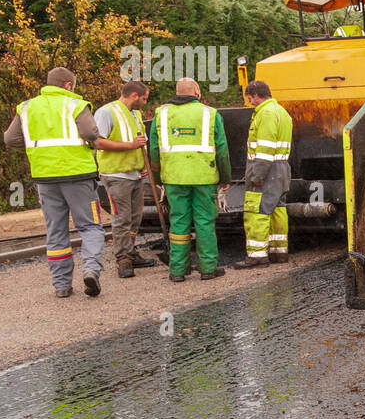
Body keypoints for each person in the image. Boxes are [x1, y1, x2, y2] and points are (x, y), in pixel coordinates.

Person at [2, 67, 105, 298]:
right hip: (78, 175)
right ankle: (91, 270)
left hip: (45, 177)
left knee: (56, 231)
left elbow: (10, 139)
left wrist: (36, 150)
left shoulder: (27, 107)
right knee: (90, 226)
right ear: (68, 85)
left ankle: (61, 286)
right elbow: (91, 134)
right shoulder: (76, 105)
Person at [149, 77, 230, 282]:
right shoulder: (210, 114)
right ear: (197, 92)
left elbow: (154, 150)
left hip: (174, 178)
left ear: (177, 92)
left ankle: (178, 270)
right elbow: (221, 149)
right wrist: (225, 177)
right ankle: (208, 269)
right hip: (205, 177)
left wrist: (158, 177)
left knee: (178, 222)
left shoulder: (161, 113)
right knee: (204, 221)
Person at [95, 79, 157, 278]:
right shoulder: (106, 112)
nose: (145, 103)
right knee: (122, 219)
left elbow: (139, 142)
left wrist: (141, 164)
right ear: (134, 96)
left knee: (134, 218)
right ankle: (123, 260)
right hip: (116, 174)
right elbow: (98, 142)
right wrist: (131, 146)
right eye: (144, 99)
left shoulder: (135, 114)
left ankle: (131, 253)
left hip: (134, 174)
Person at [232, 80, 293, 269]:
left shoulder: (265, 113)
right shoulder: (281, 112)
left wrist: (257, 175)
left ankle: (257, 256)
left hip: (267, 169)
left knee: (256, 210)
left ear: (256, 95)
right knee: (277, 210)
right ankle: (278, 252)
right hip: (282, 168)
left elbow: (265, 149)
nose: (250, 103)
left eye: (250, 99)